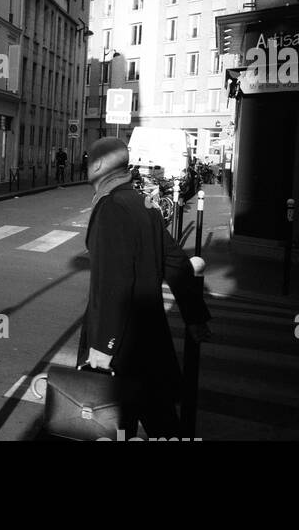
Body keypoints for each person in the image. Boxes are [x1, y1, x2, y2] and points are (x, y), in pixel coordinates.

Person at [77, 137, 213, 439]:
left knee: (110, 426)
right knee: (163, 423)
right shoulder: (144, 203)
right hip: (151, 343)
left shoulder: (111, 208)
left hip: (121, 350)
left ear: (98, 165)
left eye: (88, 160)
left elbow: (115, 285)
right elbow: (176, 262)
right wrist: (195, 316)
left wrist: (103, 348)